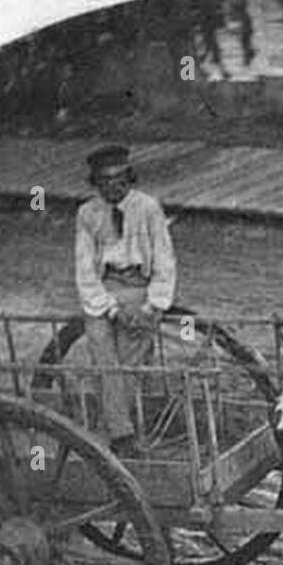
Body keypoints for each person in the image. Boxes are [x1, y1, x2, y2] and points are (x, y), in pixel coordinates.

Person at [74, 144, 176, 453]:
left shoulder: (148, 208)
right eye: (104, 181)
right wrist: (110, 308)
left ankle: (114, 433)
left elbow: (164, 260)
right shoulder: (87, 213)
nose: (112, 187)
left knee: (128, 365)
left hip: (138, 288)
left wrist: (152, 306)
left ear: (129, 178)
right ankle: (120, 435)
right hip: (103, 292)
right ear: (95, 183)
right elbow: (84, 268)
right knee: (105, 361)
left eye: (119, 179)